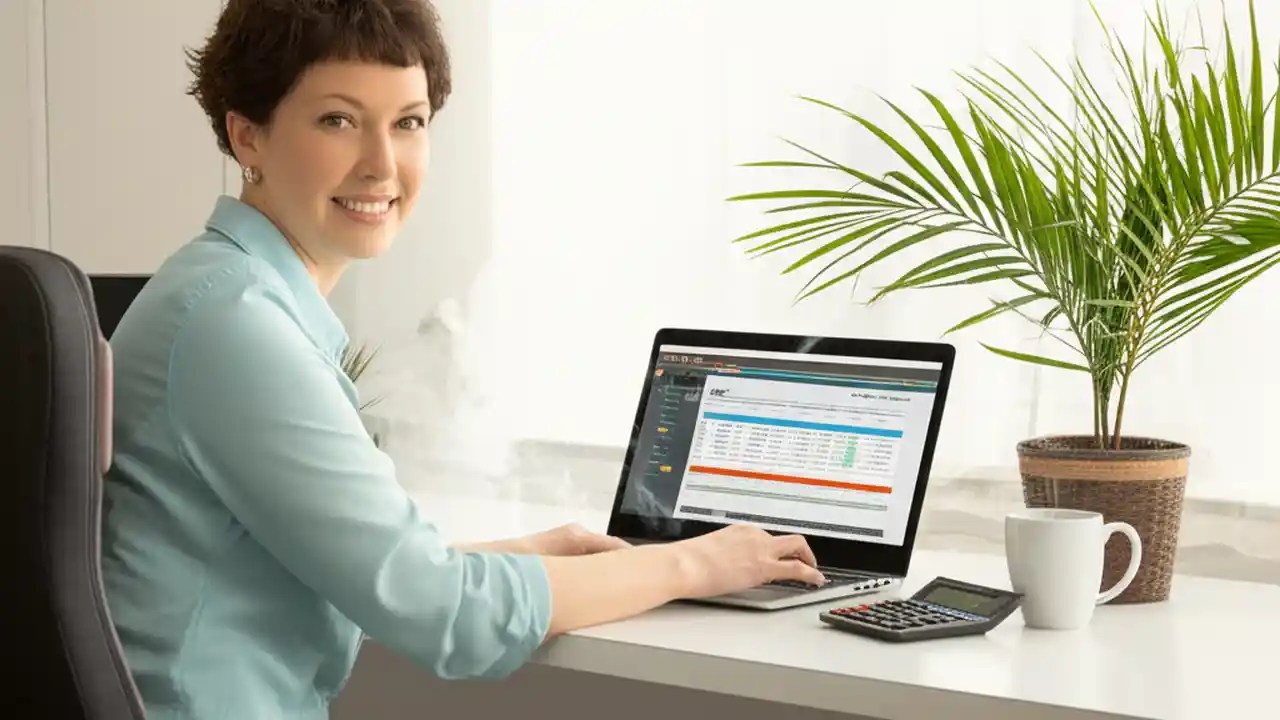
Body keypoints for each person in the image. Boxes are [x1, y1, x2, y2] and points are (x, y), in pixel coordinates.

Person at [99, 1, 826, 718]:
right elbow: (444, 614)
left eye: (409, 123)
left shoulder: (229, 294)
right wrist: (692, 561)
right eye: (339, 120)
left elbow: (348, 567)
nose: (383, 164)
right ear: (248, 134)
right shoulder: (236, 325)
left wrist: (525, 555)